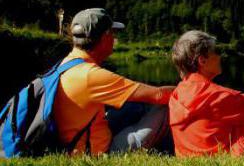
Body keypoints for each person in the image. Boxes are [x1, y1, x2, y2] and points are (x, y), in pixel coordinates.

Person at [53, 8, 175, 155]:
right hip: (95, 152)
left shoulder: (67, 64)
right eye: (113, 33)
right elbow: (158, 95)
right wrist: (194, 88)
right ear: (105, 37)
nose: (114, 38)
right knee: (164, 108)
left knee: (136, 104)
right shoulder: (91, 75)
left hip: (75, 142)